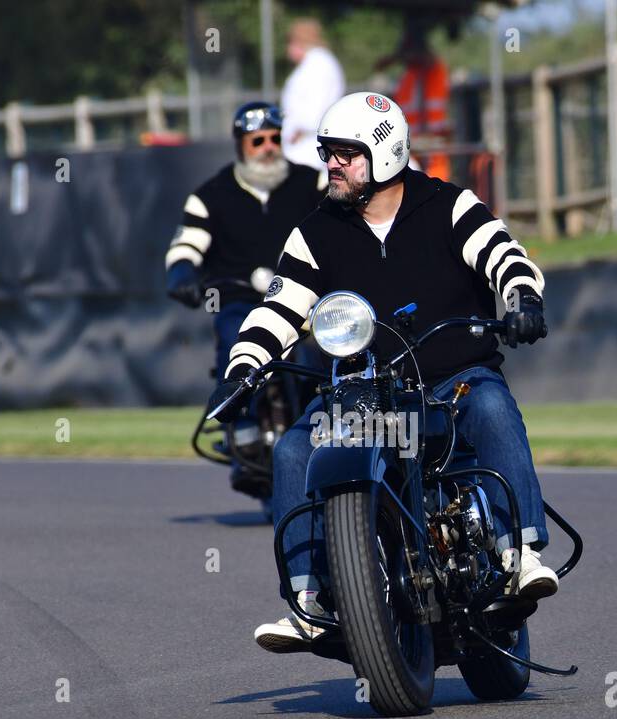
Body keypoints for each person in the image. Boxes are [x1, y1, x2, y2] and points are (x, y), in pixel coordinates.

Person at [208, 92, 554, 654]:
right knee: (293, 449)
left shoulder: (448, 204)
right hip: (360, 392)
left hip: (451, 379)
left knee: (490, 404)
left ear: (385, 153)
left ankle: (520, 553)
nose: (333, 165)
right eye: (328, 153)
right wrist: (242, 368)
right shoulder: (315, 231)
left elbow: (506, 255)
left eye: (346, 153)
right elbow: (278, 309)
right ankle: (309, 600)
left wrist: (521, 298)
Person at [165, 102, 325, 496]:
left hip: (304, 299)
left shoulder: (314, 184)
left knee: (327, 352)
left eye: (274, 138)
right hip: (238, 298)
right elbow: (186, 245)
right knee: (237, 335)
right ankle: (245, 428)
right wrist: (182, 272)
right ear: (241, 145)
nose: (268, 147)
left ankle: (323, 427)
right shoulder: (210, 196)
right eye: (258, 141)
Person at [378, 17, 452, 181]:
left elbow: (426, 58)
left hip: (432, 145)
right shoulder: (407, 78)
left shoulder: (434, 68)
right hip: (412, 145)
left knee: (434, 189)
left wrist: (396, 56)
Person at [279, 19, 345, 170]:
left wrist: (298, 131)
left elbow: (316, 110)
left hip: (307, 145)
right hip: (304, 143)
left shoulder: (318, 64)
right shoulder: (316, 63)